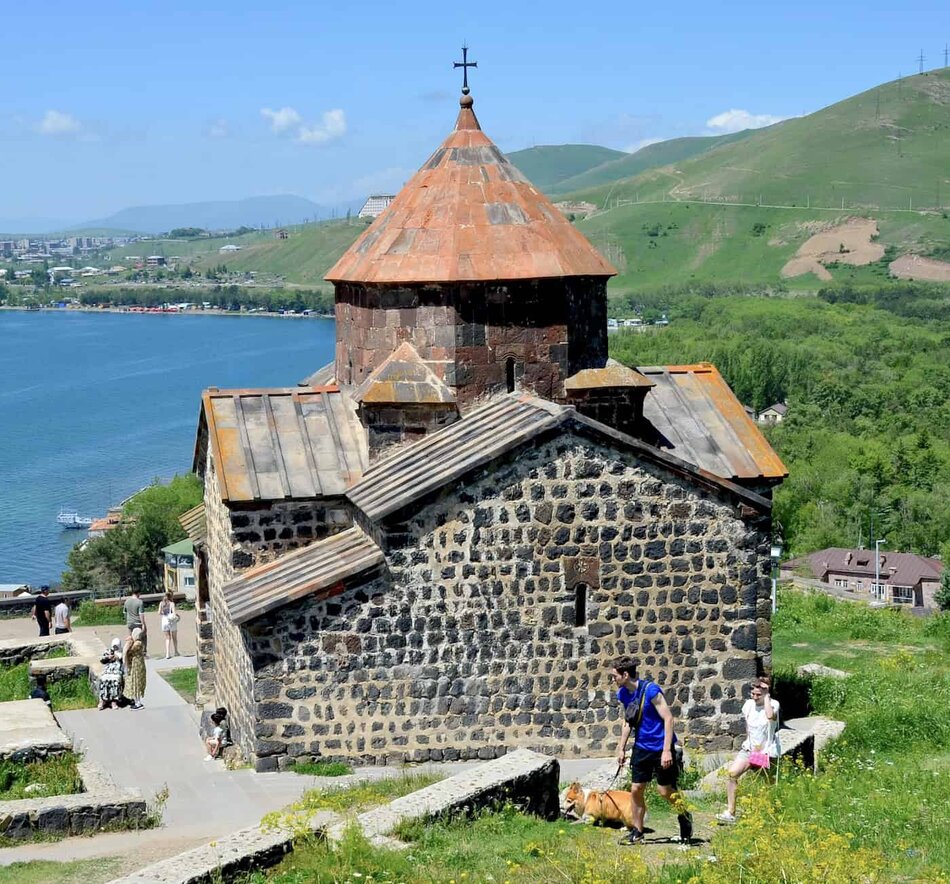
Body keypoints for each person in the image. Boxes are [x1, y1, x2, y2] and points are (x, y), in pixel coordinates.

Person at [612, 658, 693, 846]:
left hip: (660, 746)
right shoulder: (623, 694)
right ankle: (637, 832)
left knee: (665, 790)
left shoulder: (651, 690)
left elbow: (668, 719)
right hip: (641, 746)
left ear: (625, 675)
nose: (613, 680)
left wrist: (666, 751)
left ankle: (685, 816)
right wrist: (621, 748)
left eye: (614, 676)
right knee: (636, 789)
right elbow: (628, 721)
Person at [717, 677, 780, 824]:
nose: (755, 697)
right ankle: (731, 812)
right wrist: (749, 744)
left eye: (759, 694)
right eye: (753, 694)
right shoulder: (748, 705)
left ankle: (772, 814)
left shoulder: (773, 704)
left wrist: (766, 699)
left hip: (765, 751)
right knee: (733, 773)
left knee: (768, 783)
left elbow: (770, 716)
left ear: (766, 693)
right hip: (750, 749)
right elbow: (748, 726)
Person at [123, 627, 147, 710]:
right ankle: (136, 700)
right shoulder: (138, 642)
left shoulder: (138, 643)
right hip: (136, 664)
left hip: (137, 665)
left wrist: (128, 643)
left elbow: (130, 651)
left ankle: (138, 703)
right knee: (135, 682)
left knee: (136, 682)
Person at [97, 640, 125, 710]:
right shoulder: (109, 651)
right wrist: (108, 657)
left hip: (117, 671)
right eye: (114, 646)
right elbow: (102, 661)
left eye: (116, 646)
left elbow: (124, 661)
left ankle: (113, 701)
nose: (115, 647)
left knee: (115, 680)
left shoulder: (122, 652)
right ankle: (103, 700)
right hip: (108, 670)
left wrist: (118, 657)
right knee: (104, 679)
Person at [123, 589, 147, 653]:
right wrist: (143, 624)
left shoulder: (127, 601)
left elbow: (124, 612)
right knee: (143, 636)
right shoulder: (139, 602)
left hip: (130, 623)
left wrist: (127, 621)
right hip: (138, 622)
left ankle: (131, 652)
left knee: (131, 638)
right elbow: (141, 614)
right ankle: (144, 651)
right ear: (138, 593)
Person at [159, 592, 180, 658]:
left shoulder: (161, 603)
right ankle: (176, 651)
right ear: (171, 597)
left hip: (164, 620)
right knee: (174, 637)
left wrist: (164, 613)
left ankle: (167, 653)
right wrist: (177, 616)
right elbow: (174, 613)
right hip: (171, 621)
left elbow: (159, 612)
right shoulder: (172, 603)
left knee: (167, 637)